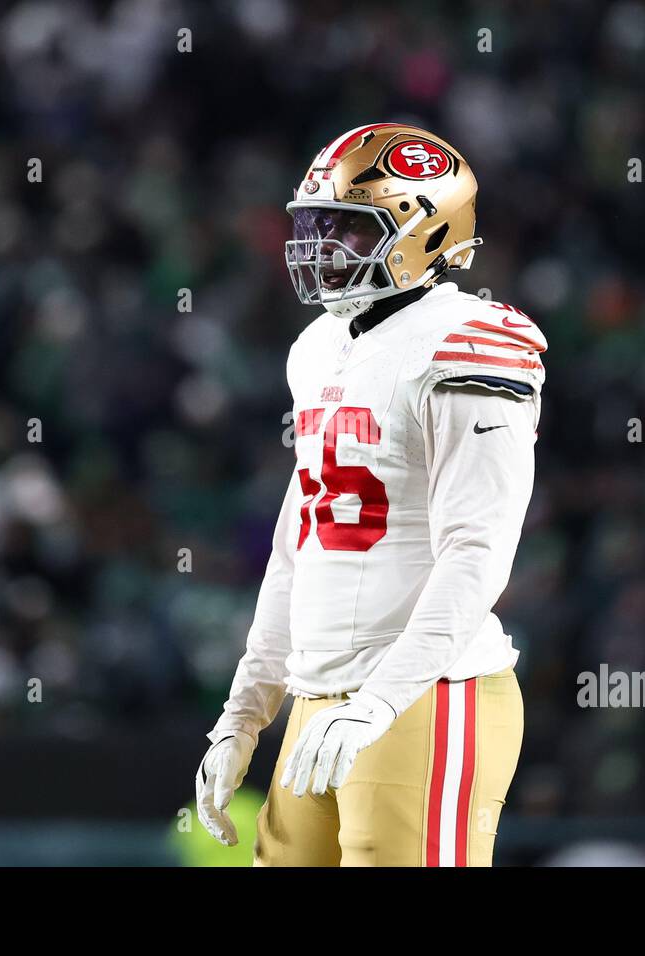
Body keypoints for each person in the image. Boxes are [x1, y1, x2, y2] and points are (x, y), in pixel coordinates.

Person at [195, 124, 544, 866]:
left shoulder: (468, 339)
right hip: (320, 702)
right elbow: (299, 546)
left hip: (428, 696)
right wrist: (243, 716)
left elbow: (476, 554)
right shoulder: (318, 346)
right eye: (314, 223)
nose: (320, 245)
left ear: (427, 230)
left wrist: (382, 701)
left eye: (349, 226)